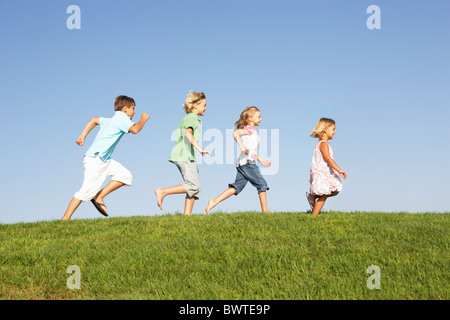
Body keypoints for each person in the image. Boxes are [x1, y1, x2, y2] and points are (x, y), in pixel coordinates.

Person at [61, 95, 150, 221]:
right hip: (96, 160)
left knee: (125, 175)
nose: (134, 112)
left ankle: (99, 196)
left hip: (104, 159)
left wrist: (82, 136)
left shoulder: (112, 120)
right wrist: (144, 119)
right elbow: (135, 129)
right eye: (133, 108)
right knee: (85, 191)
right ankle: (65, 219)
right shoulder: (122, 119)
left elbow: (94, 120)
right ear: (125, 109)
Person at [205, 106, 271, 214]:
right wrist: (241, 146)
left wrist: (261, 160)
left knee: (236, 187)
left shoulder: (252, 131)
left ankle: (214, 201)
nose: (261, 119)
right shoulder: (249, 129)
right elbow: (235, 133)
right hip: (247, 163)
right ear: (250, 118)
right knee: (262, 184)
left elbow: (252, 151)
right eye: (259, 117)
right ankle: (265, 211)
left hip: (244, 163)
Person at [154, 90, 211, 215]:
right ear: (195, 105)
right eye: (204, 105)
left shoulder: (190, 118)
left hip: (186, 156)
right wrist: (200, 149)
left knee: (195, 187)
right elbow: (188, 133)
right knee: (193, 186)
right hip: (184, 156)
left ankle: (187, 216)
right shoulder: (192, 118)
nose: (206, 108)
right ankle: (163, 191)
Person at [306, 117, 347, 215]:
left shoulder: (323, 144)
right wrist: (339, 170)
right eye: (333, 129)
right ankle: (314, 216)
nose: (335, 132)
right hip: (322, 173)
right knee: (326, 193)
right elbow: (328, 159)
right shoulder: (323, 144)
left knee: (334, 190)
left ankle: (313, 197)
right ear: (325, 129)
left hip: (324, 172)